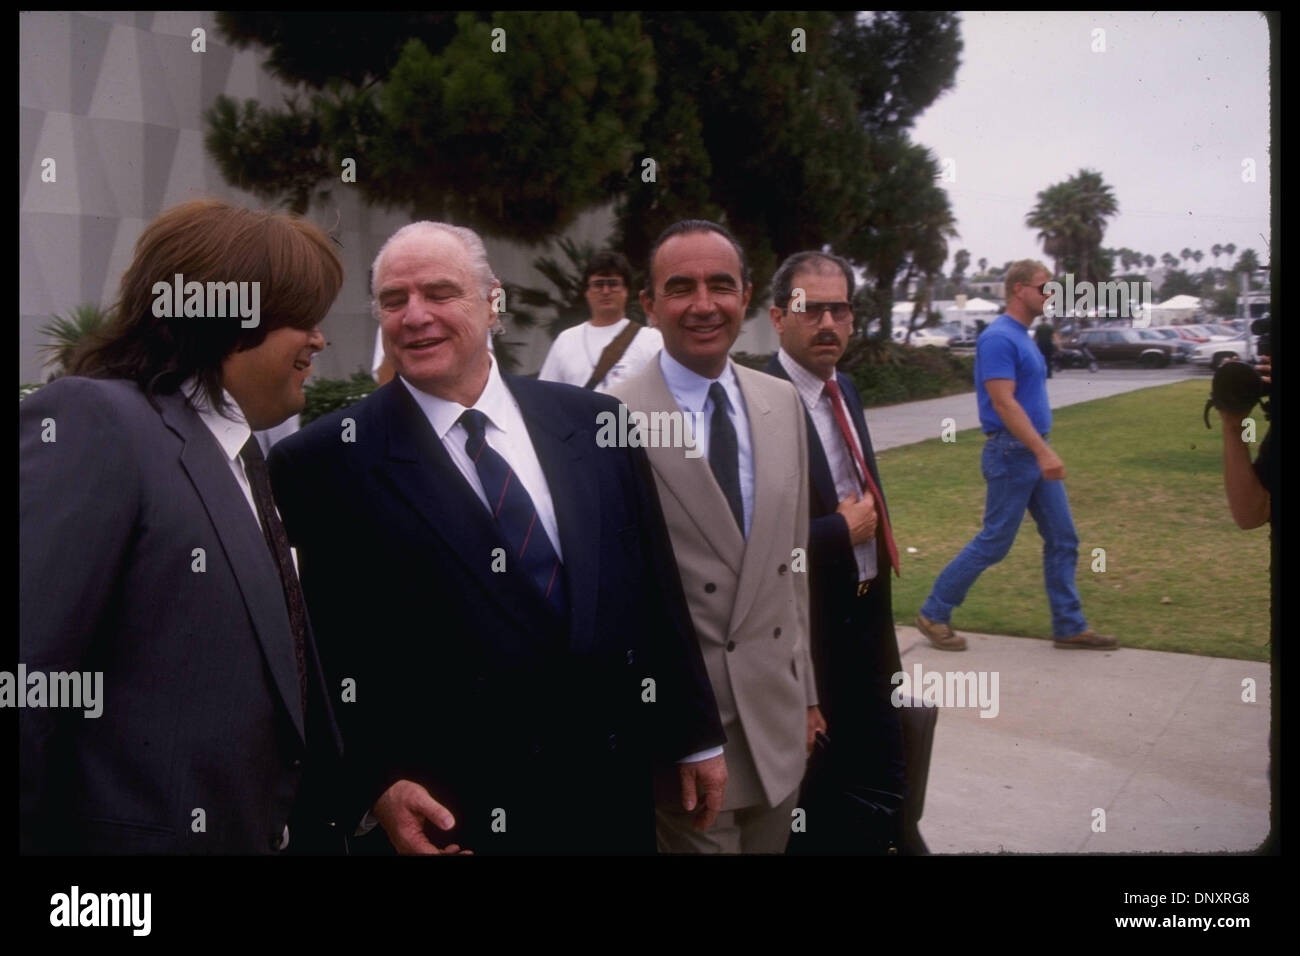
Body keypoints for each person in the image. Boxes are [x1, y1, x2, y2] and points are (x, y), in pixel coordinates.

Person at [267, 221, 726, 855]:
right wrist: (374, 784)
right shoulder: (325, 462)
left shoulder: (595, 424)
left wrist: (694, 734)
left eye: (438, 292)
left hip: (609, 795)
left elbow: (656, 588)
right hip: (456, 816)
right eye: (394, 301)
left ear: (493, 301)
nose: (415, 316)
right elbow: (321, 655)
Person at [19, 199, 345, 854]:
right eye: (303, 319)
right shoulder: (97, 422)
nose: (319, 339)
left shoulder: (242, 456)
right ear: (229, 323)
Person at [610, 220, 822, 854]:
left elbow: (795, 565)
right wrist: (667, 732)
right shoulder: (609, 419)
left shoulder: (781, 402)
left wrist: (807, 693)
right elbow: (622, 604)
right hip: (688, 741)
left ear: (748, 296)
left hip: (779, 721)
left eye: (720, 285)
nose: (703, 305)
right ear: (649, 305)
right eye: (680, 288)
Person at [762, 251, 906, 852]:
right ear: (777, 318)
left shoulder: (842, 387)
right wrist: (834, 534)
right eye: (810, 308)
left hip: (867, 623)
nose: (827, 322)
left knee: (880, 781)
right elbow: (750, 541)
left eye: (839, 309)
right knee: (812, 803)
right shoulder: (759, 402)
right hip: (808, 633)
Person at [915, 260, 1117, 652]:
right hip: (1012, 453)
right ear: (1019, 289)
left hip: (1031, 450)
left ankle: (1069, 626)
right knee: (994, 542)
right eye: (1045, 288)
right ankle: (933, 612)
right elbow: (1004, 404)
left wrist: (1041, 449)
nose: (1051, 295)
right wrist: (1042, 452)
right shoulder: (998, 339)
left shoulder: (1023, 336)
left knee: (1063, 538)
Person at [537, 250, 663, 393]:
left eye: (613, 284)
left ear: (626, 290)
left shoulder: (651, 340)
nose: (605, 291)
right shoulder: (566, 340)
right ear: (587, 292)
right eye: (598, 284)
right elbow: (545, 395)